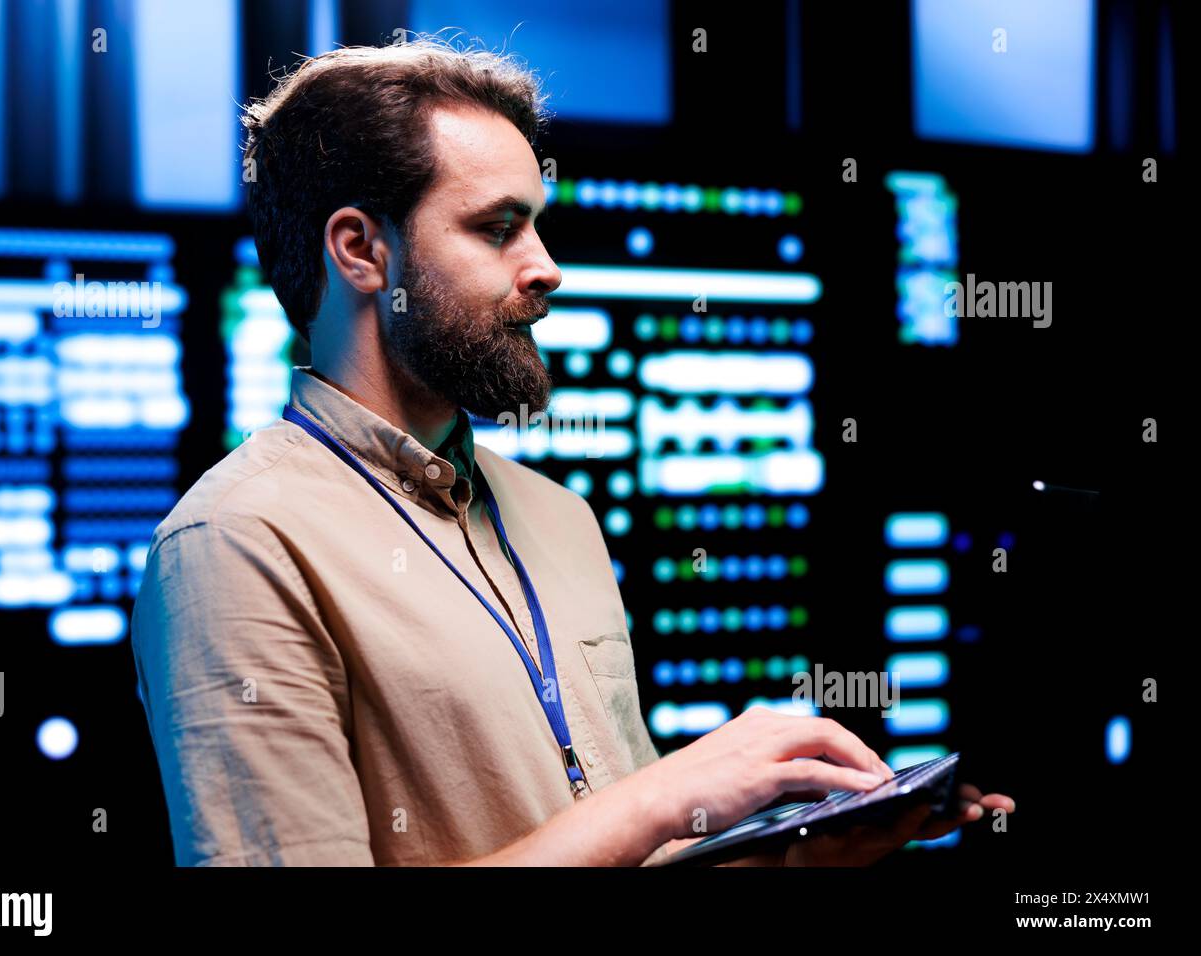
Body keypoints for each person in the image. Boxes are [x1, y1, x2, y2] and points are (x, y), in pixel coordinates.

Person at [131, 35, 1013, 866]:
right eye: (496, 228)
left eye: (537, 226)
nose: (547, 267)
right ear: (361, 250)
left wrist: (798, 853)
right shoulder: (236, 544)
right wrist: (663, 796)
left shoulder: (558, 518)